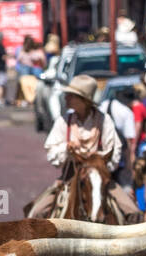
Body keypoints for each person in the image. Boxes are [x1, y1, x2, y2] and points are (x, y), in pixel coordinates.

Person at [28, 75, 138, 220]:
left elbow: (114, 153)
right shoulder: (64, 121)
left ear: (84, 100)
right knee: (36, 213)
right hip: (69, 179)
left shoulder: (104, 121)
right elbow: (52, 152)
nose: (66, 97)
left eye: (71, 95)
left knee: (133, 212)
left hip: (101, 180)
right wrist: (66, 149)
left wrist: (96, 163)